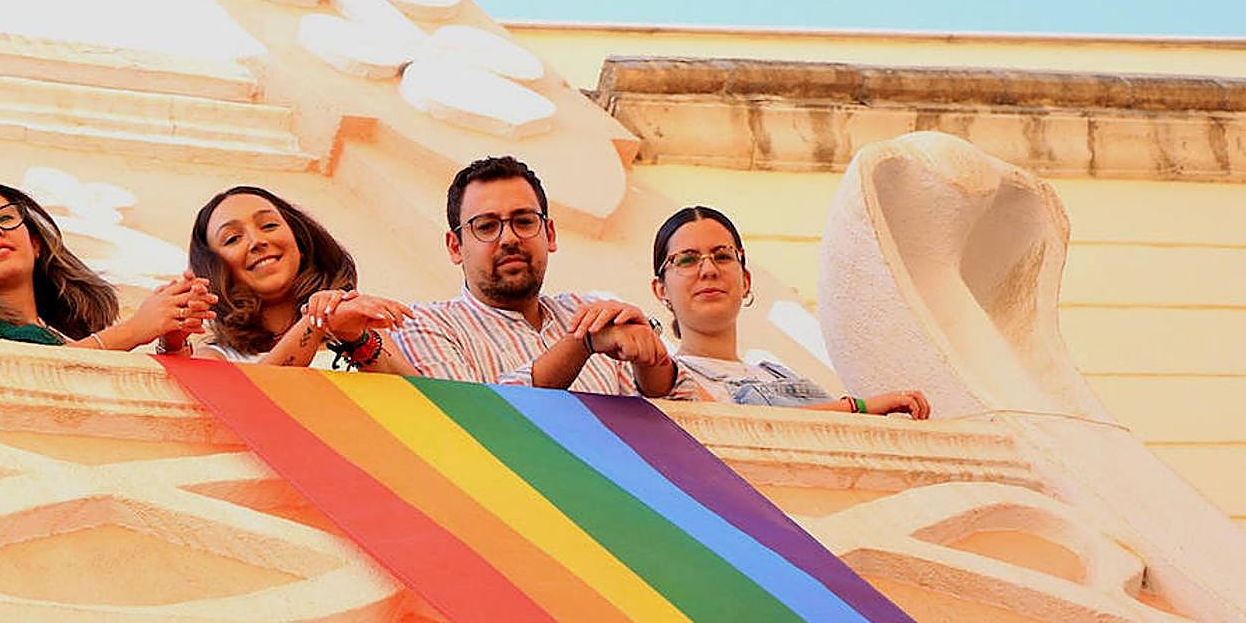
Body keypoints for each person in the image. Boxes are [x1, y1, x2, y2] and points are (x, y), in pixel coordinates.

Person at [392, 156, 673, 396]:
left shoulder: (587, 312)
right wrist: (580, 344)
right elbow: (472, 421)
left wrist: (646, 354)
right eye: (487, 226)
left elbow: (672, 412)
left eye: (524, 222)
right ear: (455, 247)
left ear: (549, 234)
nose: (509, 238)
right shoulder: (425, 325)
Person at [653, 205, 930, 417]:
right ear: (661, 290)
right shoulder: (662, 379)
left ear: (746, 281)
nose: (709, 270)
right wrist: (859, 407)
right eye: (687, 260)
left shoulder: (778, 375)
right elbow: (747, 428)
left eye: (723, 256)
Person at [0, 179, 214, 350]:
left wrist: (171, 338)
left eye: (5, 217)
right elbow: (10, 378)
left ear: (35, 244)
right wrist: (135, 330)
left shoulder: (66, 340)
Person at [188, 186, 416, 371]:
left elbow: (420, 404)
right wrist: (317, 321)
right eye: (232, 239)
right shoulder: (215, 356)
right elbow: (246, 407)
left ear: (301, 243)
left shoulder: (360, 324)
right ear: (216, 270)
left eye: (269, 225)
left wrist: (355, 337)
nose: (257, 241)